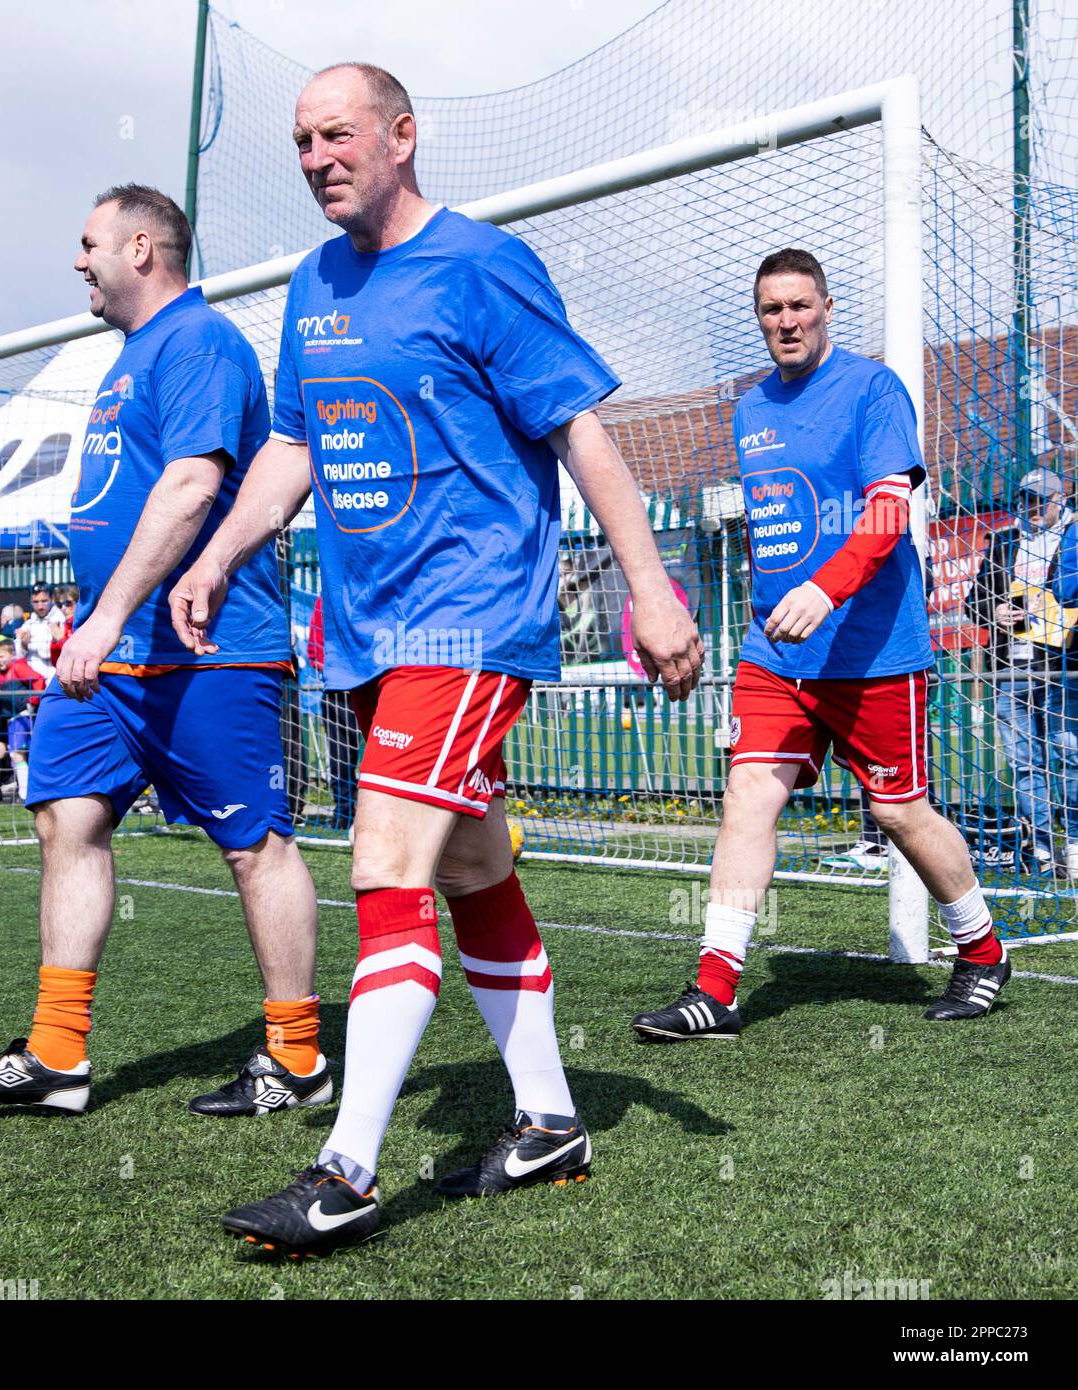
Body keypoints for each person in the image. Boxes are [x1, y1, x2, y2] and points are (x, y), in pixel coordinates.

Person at [168, 63, 702, 1255]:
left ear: (403, 136)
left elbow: (579, 430)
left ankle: (344, 1171)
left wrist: (656, 587)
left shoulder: (481, 265)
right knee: (470, 871)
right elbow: (295, 447)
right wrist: (212, 556)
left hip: (466, 626)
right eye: (301, 140)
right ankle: (553, 1117)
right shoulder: (312, 283)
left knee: (383, 862)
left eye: (338, 133)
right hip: (367, 634)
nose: (317, 157)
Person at [0, 184, 325, 1121]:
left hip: (207, 650)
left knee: (254, 849)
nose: (78, 261)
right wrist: (99, 628)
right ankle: (58, 1055)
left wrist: (102, 619)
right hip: (108, 661)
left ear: (142, 247)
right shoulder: (127, 359)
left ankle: (298, 1054)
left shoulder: (199, 341)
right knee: (66, 820)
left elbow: (192, 486)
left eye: (89, 242)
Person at [631, 248, 1011, 1047]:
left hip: (875, 654)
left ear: (827, 307)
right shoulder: (750, 408)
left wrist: (824, 589)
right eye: (771, 309)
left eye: (800, 305)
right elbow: (773, 531)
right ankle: (715, 990)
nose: (786, 321)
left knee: (898, 811)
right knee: (748, 801)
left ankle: (982, 951)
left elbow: (886, 510)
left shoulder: (873, 390)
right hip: (774, 654)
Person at [967, 467, 1078, 877]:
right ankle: (1044, 849)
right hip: (1009, 664)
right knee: (1025, 762)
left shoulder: (1073, 538)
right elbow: (972, 600)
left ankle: (1075, 841)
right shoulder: (1003, 542)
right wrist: (993, 610)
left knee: (1068, 753)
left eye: (1041, 501)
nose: (1033, 508)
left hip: (1061, 664)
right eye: (1027, 500)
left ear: (1060, 501)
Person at [307, 595, 358, 830]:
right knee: (340, 753)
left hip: (376, 679)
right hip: (339, 685)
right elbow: (314, 650)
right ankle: (344, 811)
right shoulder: (327, 597)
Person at [0, 637, 44, 802]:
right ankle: (22, 792)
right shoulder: (0, 674)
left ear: (12, 655)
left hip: (22, 717)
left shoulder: (19, 666)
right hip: (11, 719)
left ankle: (25, 794)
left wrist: (33, 700)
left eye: (2, 656)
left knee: (18, 754)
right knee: (16, 754)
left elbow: (39, 679)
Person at [16, 582, 65, 683]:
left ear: (52, 599)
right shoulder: (29, 623)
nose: (40, 606)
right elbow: (17, 657)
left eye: (44, 601)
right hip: (31, 682)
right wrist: (23, 645)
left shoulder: (61, 621)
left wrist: (59, 640)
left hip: (54, 680)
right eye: (36, 602)